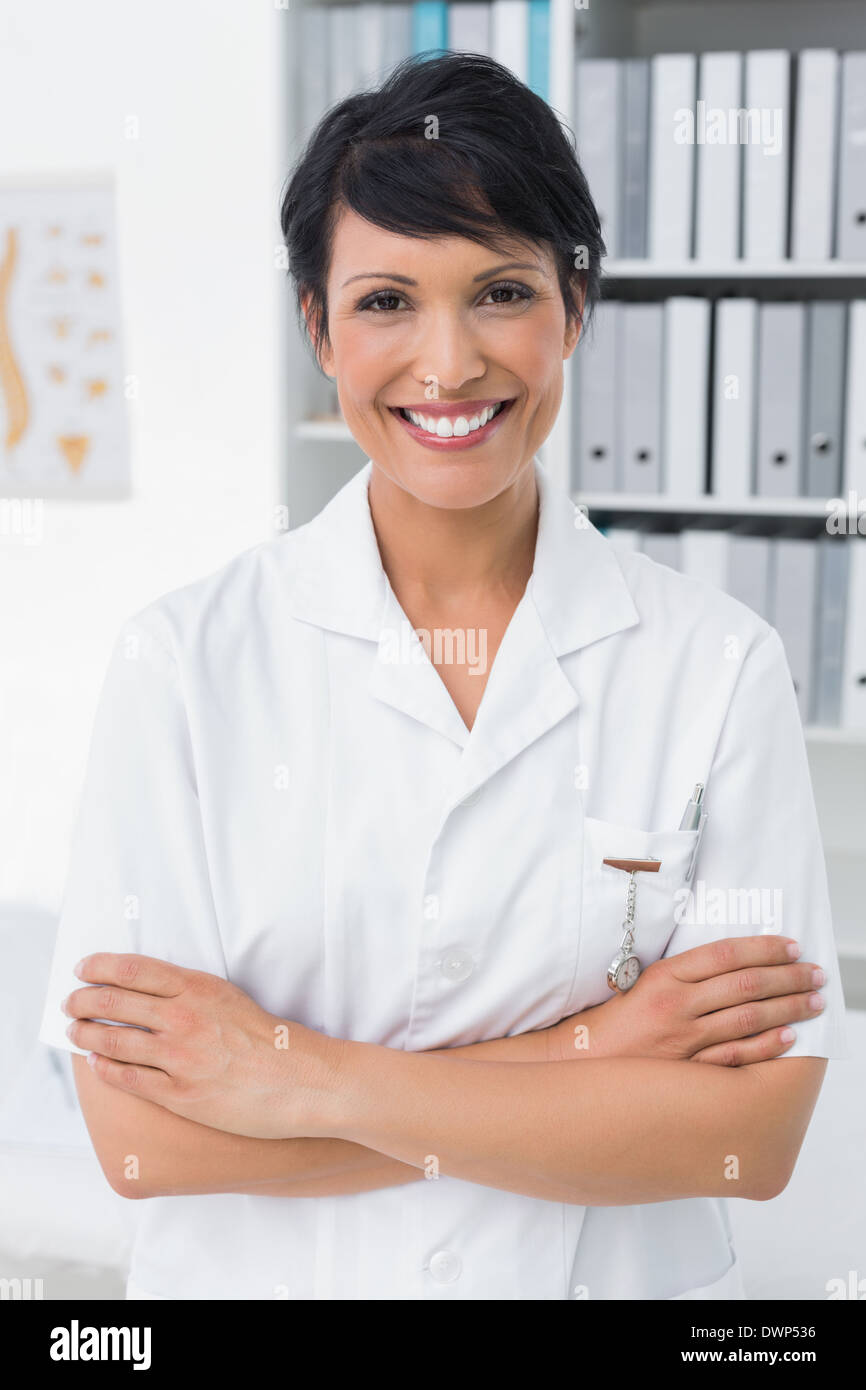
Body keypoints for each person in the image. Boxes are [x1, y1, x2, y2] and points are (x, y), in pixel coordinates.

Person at [39, 52, 848, 1300]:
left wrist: (294, 1075)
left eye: (501, 291)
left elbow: (746, 1139)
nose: (447, 361)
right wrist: (594, 1052)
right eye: (383, 303)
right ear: (316, 328)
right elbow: (143, 1143)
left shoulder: (715, 667)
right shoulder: (184, 666)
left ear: (572, 310)